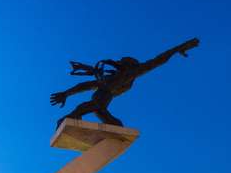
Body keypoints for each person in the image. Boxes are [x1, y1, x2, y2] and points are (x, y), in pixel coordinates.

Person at [50, 38, 199, 126]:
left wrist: (179, 48)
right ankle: (68, 119)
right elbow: (86, 85)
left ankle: (73, 118)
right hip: (100, 99)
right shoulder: (113, 78)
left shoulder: (129, 74)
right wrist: (66, 93)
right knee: (92, 107)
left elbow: (158, 60)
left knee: (112, 122)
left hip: (102, 101)